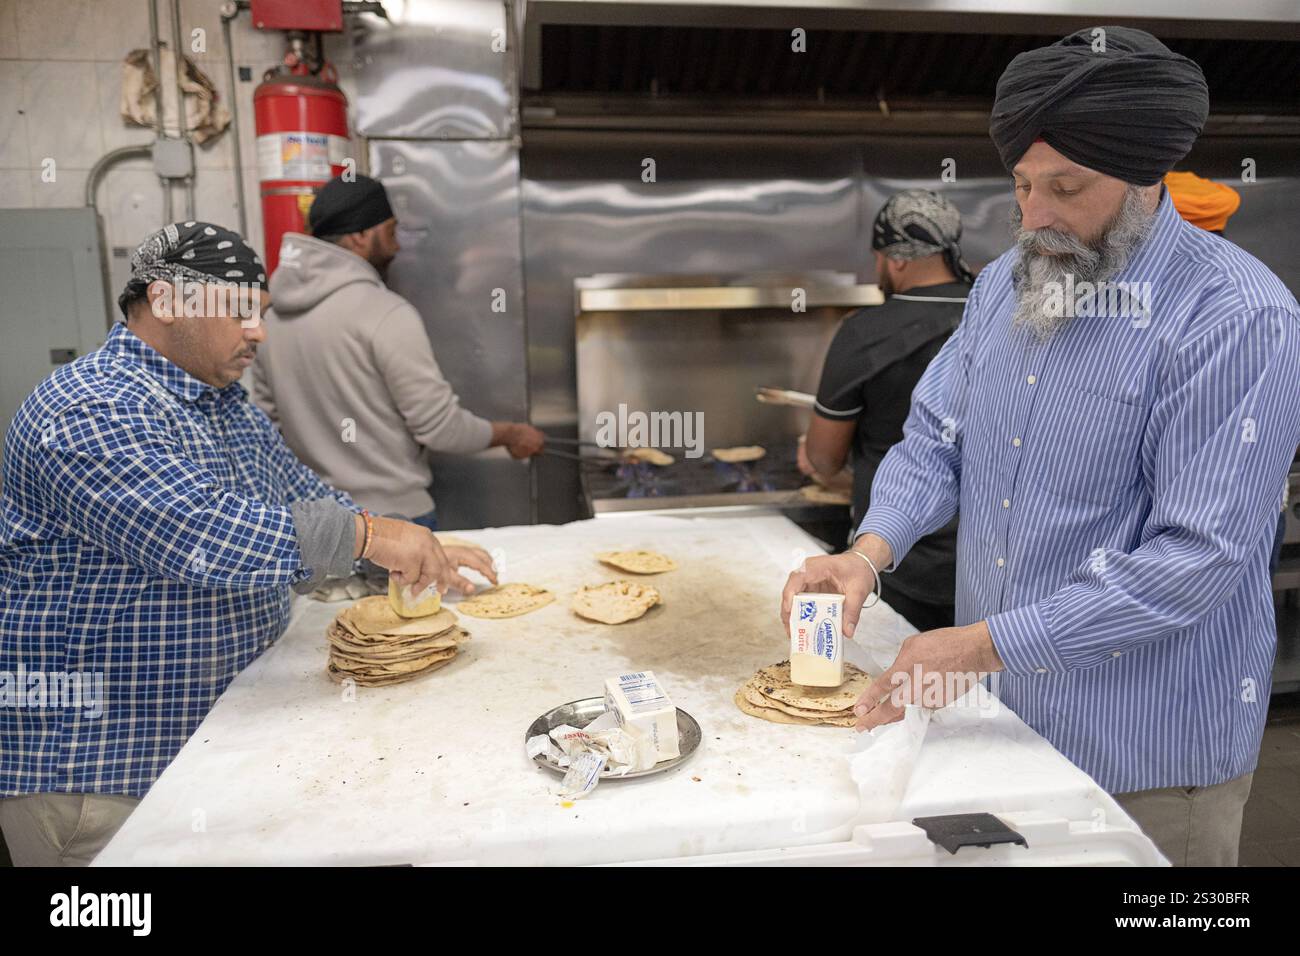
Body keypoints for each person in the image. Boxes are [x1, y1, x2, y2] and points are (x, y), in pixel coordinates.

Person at [782, 27, 1300, 866]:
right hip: (1005, 724)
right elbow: (935, 441)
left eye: (1066, 187)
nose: (1034, 217)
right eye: (1022, 185)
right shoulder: (1002, 288)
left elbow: (1196, 557)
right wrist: (867, 555)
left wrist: (982, 644)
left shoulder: (1233, 317)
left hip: (1150, 756)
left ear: (1145, 180)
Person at [0, 222, 495, 865]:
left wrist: (400, 550)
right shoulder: (91, 408)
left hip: (205, 743)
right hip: (100, 774)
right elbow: (201, 534)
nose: (258, 333)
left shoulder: (219, 402)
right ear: (168, 302)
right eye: (239, 313)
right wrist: (372, 535)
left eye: (259, 314)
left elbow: (299, 496)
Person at [251, 175, 545, 529]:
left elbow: (268, 429)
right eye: (390, 232)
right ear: (360, 236)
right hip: (393, 522)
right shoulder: (386, 313)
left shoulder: (269, 320)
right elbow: (439, 429)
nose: (397, 247)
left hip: (316, 527)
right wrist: (510, 434)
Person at [801, 189, 972, 630]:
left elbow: (824, 461)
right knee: (981, 696)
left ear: (896, 259)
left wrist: (813, 454)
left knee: (900, 685)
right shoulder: (993, 315)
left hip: (898, 561)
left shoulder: (864, 333)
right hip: (989, 565)